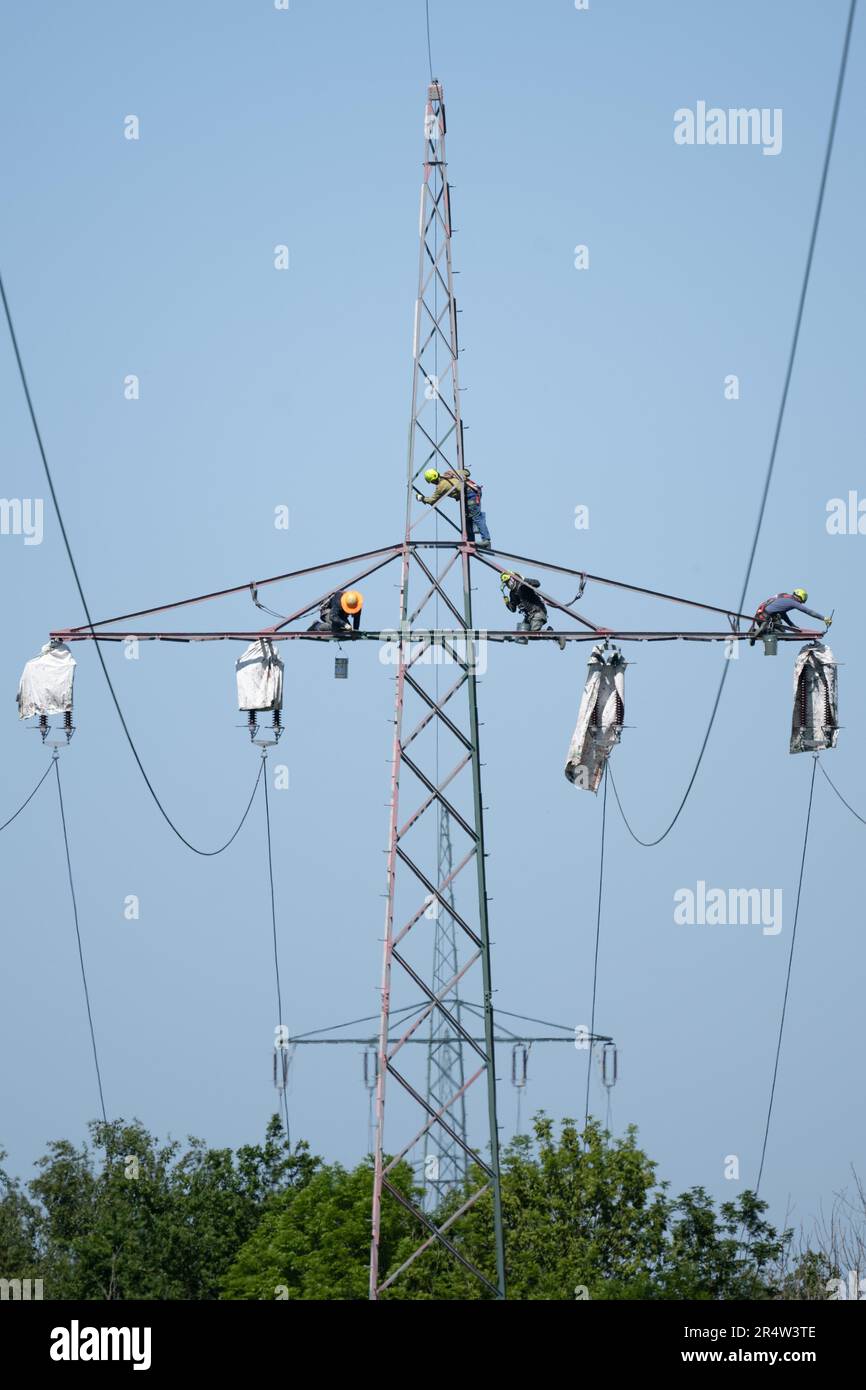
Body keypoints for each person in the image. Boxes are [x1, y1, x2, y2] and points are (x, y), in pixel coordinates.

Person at [416, 467, 491, 547]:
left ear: (433, 480)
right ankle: (471, 542)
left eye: (431, 482)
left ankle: (486, 541)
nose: (433, 483)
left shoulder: (441, 487)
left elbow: (432, 500)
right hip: (473, 492)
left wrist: (422, 498)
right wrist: (458, 472)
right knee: (468, 519)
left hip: (470, 496)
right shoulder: (450, 473)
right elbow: (467, 472)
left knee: (476, 517)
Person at [501, 571, 565, 649]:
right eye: (506, 584)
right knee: (522, 635)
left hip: (537, 612)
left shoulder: (523, 585)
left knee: (533, 634)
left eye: (508, 582)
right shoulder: (513, 593)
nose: (508, 585)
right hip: (529, 617)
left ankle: (555, 636)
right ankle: (549, 632)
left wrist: (524, 581)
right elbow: (513, 609)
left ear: (512, 579)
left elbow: (537, 583)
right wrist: (507, 602)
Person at [748, 589, 832, 646]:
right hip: (766, 619)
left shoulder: (784, 596)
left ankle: (756, 631)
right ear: (801, 597)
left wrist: (791, 625)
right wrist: (824, 618)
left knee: (778, 630)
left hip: (759, 616)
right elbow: (808, 611)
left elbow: (782, 612)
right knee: (779, 634)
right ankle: (762, 630)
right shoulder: (793, 602)